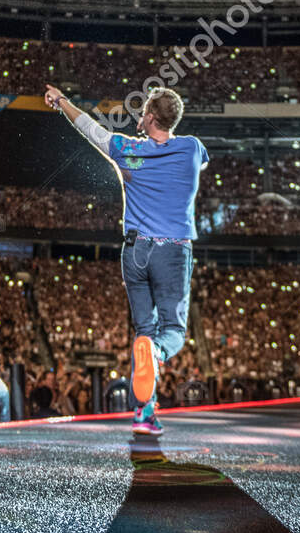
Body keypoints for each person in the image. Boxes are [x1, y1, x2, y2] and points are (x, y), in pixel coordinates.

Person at [44, 83, 208, 437]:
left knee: (143, 332)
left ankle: (144, 412)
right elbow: (192, 166)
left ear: (149, 117)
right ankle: (159, 355)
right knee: (173, 333)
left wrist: (62, 102)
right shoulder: (193, 148)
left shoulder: (125, 149)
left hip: (134, 251)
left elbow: (90, 129)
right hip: (173, 251)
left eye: (144, 109)